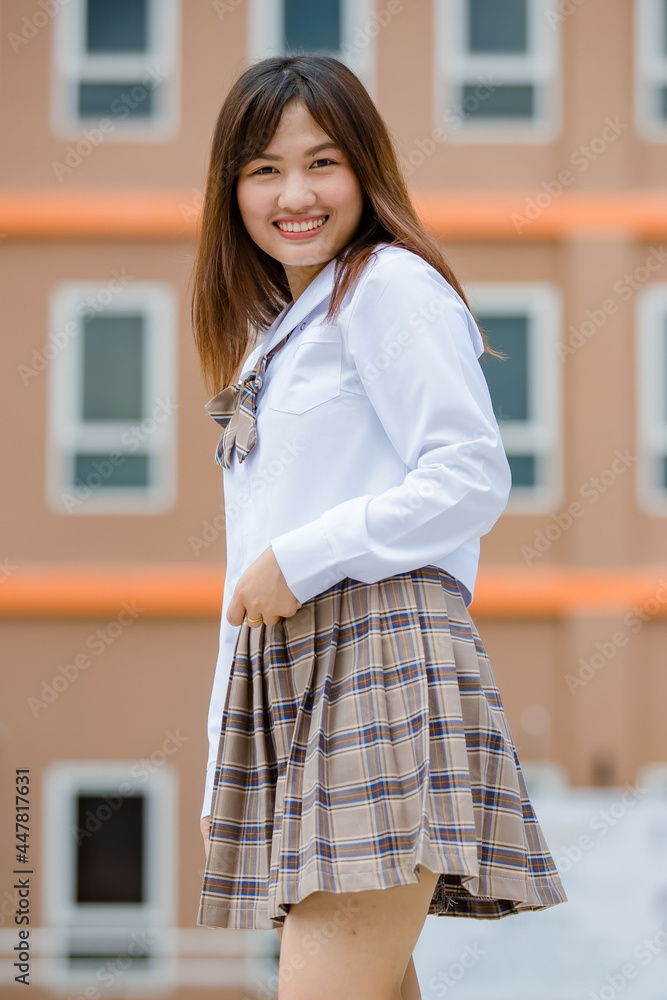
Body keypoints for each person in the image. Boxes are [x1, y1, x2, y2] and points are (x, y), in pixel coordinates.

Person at [191, 53, 567, 999]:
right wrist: (221, 760)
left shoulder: (385, 285)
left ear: (364, 168)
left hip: (375, 659)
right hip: (295, 683)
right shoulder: (281, 330)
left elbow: (470, 474)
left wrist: (305, 557)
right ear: (229, 189)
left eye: (322, 162)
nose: (294, 194)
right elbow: (254, 563)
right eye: (263, 169)